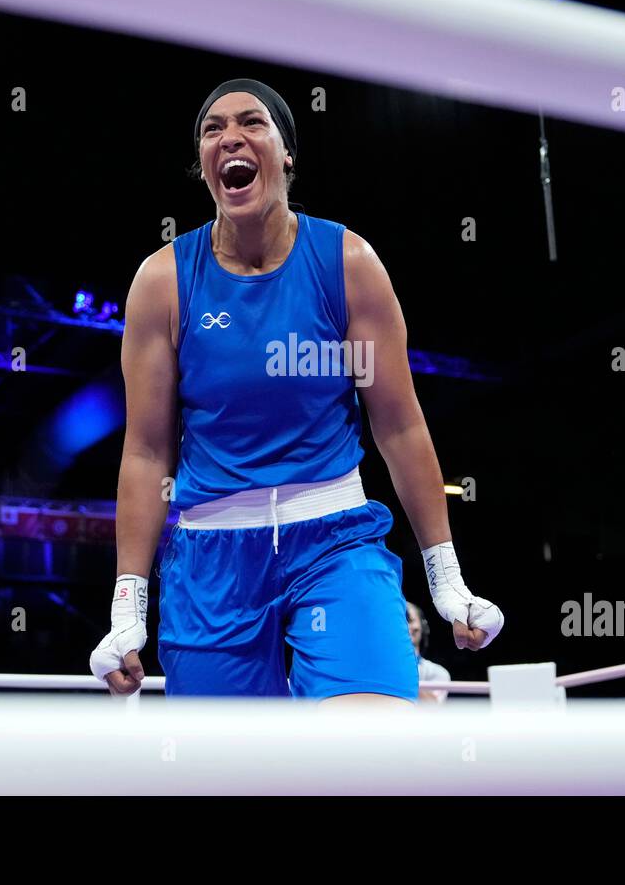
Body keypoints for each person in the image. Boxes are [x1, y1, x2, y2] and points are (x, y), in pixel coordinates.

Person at [89, 77, 503, 704]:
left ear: (286, 153)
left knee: (375, 735)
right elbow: (147, 452)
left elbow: (399, 426)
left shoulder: (348, 262)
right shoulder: (163, 280)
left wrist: (446, 575)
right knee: (229, 760)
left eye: (251, 122)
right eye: (212, 129)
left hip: (334, 540)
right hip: (211, 560)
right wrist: (128, 604)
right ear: (203, 165)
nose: (230, 137)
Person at [407, 601, 451, 704]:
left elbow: (432, 707)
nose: (404, 627)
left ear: (422, 626)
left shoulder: (437, 672)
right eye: (399, 622)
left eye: (409, 620)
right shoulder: (379, 668)